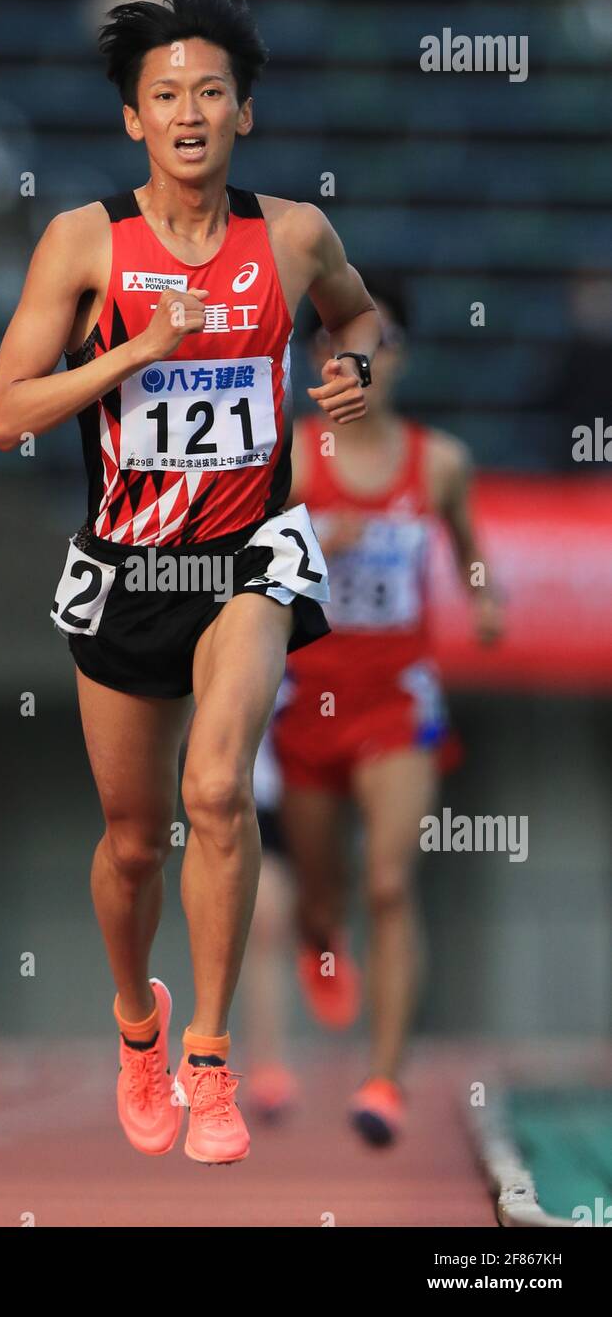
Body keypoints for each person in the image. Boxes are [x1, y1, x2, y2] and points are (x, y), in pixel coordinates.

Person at [0, 0, 379, 1165]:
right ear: (133, 118)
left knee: (216, 790)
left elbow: (357, 318)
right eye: (165, 95)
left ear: (242, 112)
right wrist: (135, 351)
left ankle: (210, 1056)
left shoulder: (292, 236)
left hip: (245, 554)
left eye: (210, 92)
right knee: (132, 840)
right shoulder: (83, 242)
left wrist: (352, 371)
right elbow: (6, 413)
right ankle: (138, 1023)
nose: (189, 112)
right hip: (125, 566)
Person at [243, 288, 504, 1144]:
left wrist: (485, 598)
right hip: (309, 700)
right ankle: (323, 937)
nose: (363, 359)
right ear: (320, 360)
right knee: (321, 898)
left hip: (398, 700)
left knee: (388, 884)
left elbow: (469, 553)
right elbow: (237, 568)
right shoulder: (291, 458)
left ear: (401, 356)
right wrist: (316, 539)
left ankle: (385, 1081)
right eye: (344, 342)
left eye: (381, 341)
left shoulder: (440, 463)